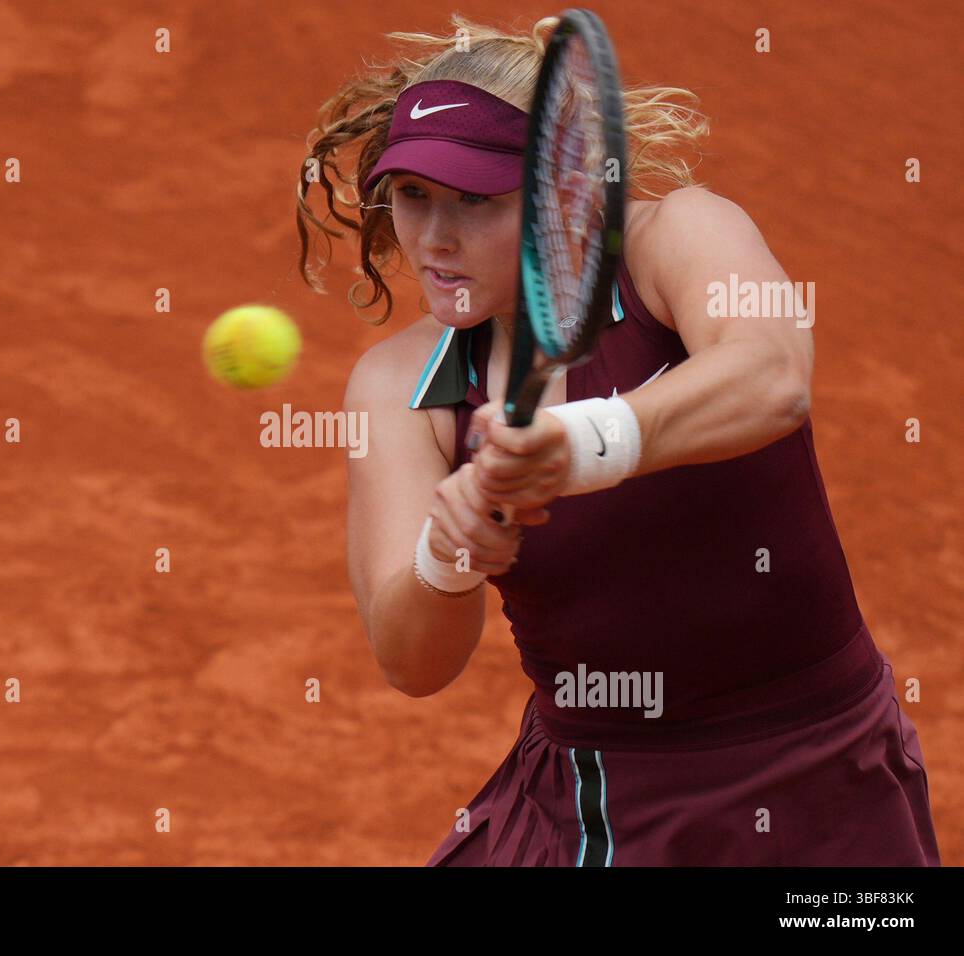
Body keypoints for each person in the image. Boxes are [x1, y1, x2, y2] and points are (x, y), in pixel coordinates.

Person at [295, 15, 940, 866]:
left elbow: (771, 374)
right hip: (603, 802)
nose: (434, 240)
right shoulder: (402, 386)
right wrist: (449, 555)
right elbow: (411, 661)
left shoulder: (676, 235)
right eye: (412, 195)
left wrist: (580, 442)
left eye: (475, 201)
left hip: (827, 772)